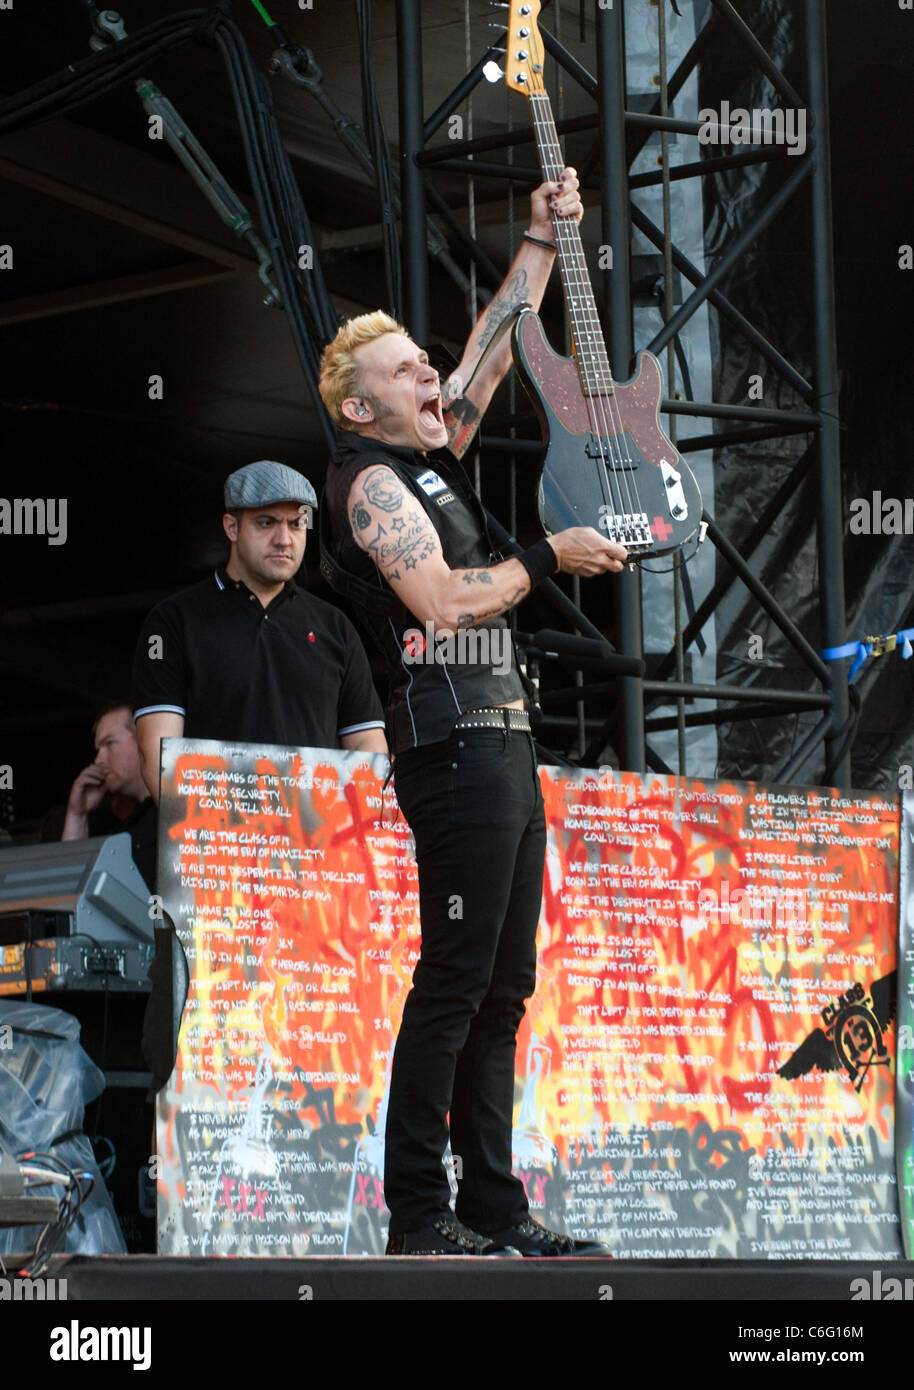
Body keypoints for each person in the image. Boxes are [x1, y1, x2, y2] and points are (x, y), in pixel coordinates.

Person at [320, 169, 627, 1256]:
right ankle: (417, 1214)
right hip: (450, 746)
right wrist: (545, 554)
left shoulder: (427, 461)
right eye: (406, 369)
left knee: (504, 982)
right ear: (361, 405)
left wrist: (540, 239)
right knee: (454, 980)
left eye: (422, 361)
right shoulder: (366, 484)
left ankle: (495, 1205)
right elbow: (447, 604)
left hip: (501, 737)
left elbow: (490, 356)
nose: (428, 374)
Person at [132, 459, 387, 802]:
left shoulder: (334, 627)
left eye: (296, 524)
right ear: (231, 527)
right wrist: (212, 840)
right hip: (216, 842)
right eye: (266, 523)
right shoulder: (174, 621)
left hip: (320, 845)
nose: (284, 539)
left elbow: (368, 754)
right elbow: (158, 757)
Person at [56, 701, 157, 888]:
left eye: (109, 744)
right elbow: (69, 889)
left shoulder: (177, 811)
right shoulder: (110, 825)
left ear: (143, 739)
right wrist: (77, 815)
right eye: (98, 749)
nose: (98, 759)